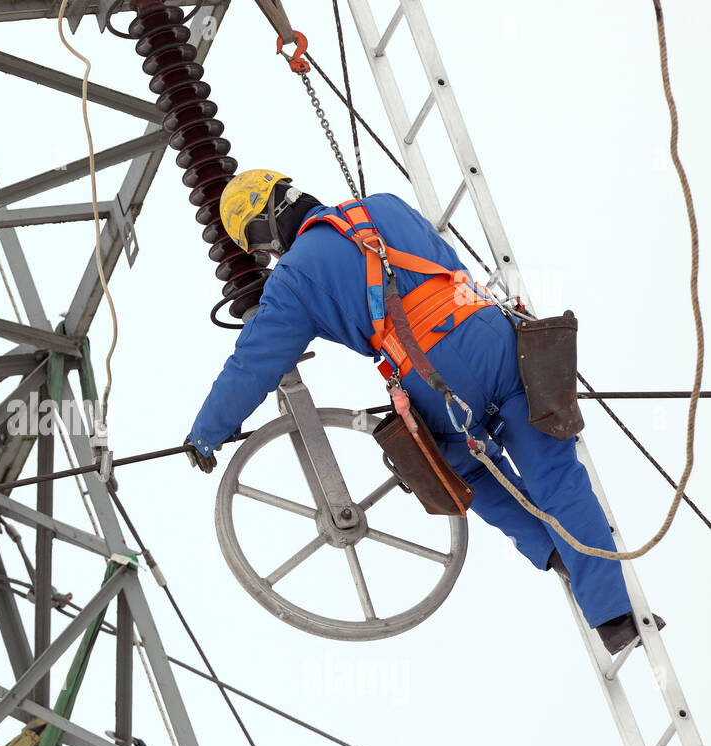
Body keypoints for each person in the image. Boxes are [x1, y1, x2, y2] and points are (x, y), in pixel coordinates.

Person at [185, 169, 656, 654]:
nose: (269, 257)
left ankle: (551, 548)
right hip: (494, 338)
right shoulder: (386, 205)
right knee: (558, 478)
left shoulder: (294, 279)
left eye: (260, 249)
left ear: (263, 230)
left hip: (431, 373)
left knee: (459, 468)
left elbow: (254, 363)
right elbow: (451, 267)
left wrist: (208, 430)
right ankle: (614, 614)